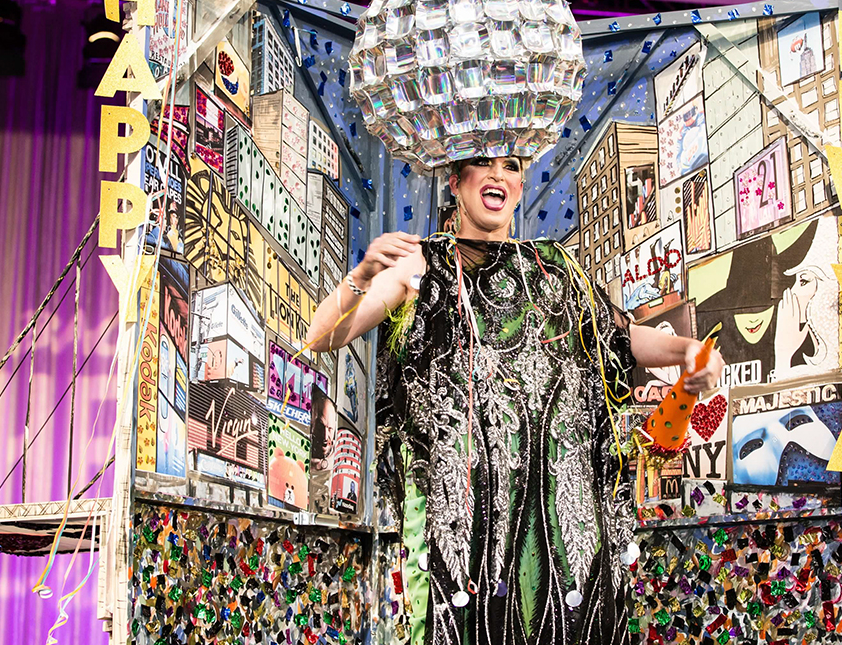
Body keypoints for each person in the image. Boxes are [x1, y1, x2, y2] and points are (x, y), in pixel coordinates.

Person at [306, 155, 724, 645]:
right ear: (456, 182)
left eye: (509, 165)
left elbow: (625, 336)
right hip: (463, 526)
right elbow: (322, 336)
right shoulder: (420, 265)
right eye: (482, 164)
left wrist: (689, 350)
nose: (497, 175)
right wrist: (361, 274)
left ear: (521, 186)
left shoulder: (557, 269)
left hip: (555, 523)